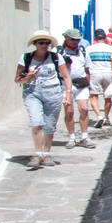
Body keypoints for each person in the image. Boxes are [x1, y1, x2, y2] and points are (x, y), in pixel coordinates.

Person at [16, 30, 71, 168]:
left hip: (53, 93)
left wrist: (68, 94)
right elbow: (17, 79)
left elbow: (66, 77)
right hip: (32, 93)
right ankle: (37, 153)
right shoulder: (26, 58)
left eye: (47, 43)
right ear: (35, 44)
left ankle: (46, 153)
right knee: (36, 122)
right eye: (41, 43)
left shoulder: (56, 57)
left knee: (50, 125)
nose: (44, 45)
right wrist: (28, 77)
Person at [60, 28, 95, 148]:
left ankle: (84, 137)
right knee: (69, 111)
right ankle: (72, 137)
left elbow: (87, 69)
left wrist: (89, 84)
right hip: (65, 85)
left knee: (84, 109)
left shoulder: (82, 51)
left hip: (81, 84)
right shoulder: (59, 52)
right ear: (66, 38)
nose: (75, 42)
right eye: (72, 39)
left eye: (77, 39)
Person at [86, 28, 112, 128]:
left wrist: (87, 75)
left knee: (93, 95)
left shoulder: (89, 49)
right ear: (105, 38)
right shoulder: (110, 49)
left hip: (94, 73)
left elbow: (87, 64)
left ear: (95, 38)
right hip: (108, 73)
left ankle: (98, 116)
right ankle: (106, 117)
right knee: (108, 96)